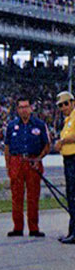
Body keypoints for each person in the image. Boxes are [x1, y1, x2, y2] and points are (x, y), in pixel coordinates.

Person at [3, 96, 49, 237]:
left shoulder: (39, 125)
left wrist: (38, 159)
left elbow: (47, 145)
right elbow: (7, 147)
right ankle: (18, 227)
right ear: (17, 109)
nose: (24, 110)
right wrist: (8, 166)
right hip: (16, 161)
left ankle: (34, 228)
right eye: (21, 107)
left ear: (31, 108)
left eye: (26, 106)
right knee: (16, 196)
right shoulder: (11, 126)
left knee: (33, 196)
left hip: (32, 161)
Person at [54, 91, 75, 244]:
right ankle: (71, 231)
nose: (63, 107)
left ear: (72, 102)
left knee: (73, 196)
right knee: (71, 196)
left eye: (65, 103)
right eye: (60, 105)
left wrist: (62, 141)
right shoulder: (68, 120)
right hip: (68, 160)